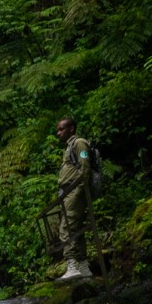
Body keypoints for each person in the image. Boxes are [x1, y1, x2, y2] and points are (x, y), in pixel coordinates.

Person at [55, 116, 95, 281]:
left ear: (71, 128)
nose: (59, 133)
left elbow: (85, 168)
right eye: (58, 130)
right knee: (77, 230)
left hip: (74, 192)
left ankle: (72, 265)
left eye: (61, 129)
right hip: (69, 192)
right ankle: (84, 266)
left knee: (67, 228)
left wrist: (78, 190)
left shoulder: (79, 143)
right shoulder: (70, 146)